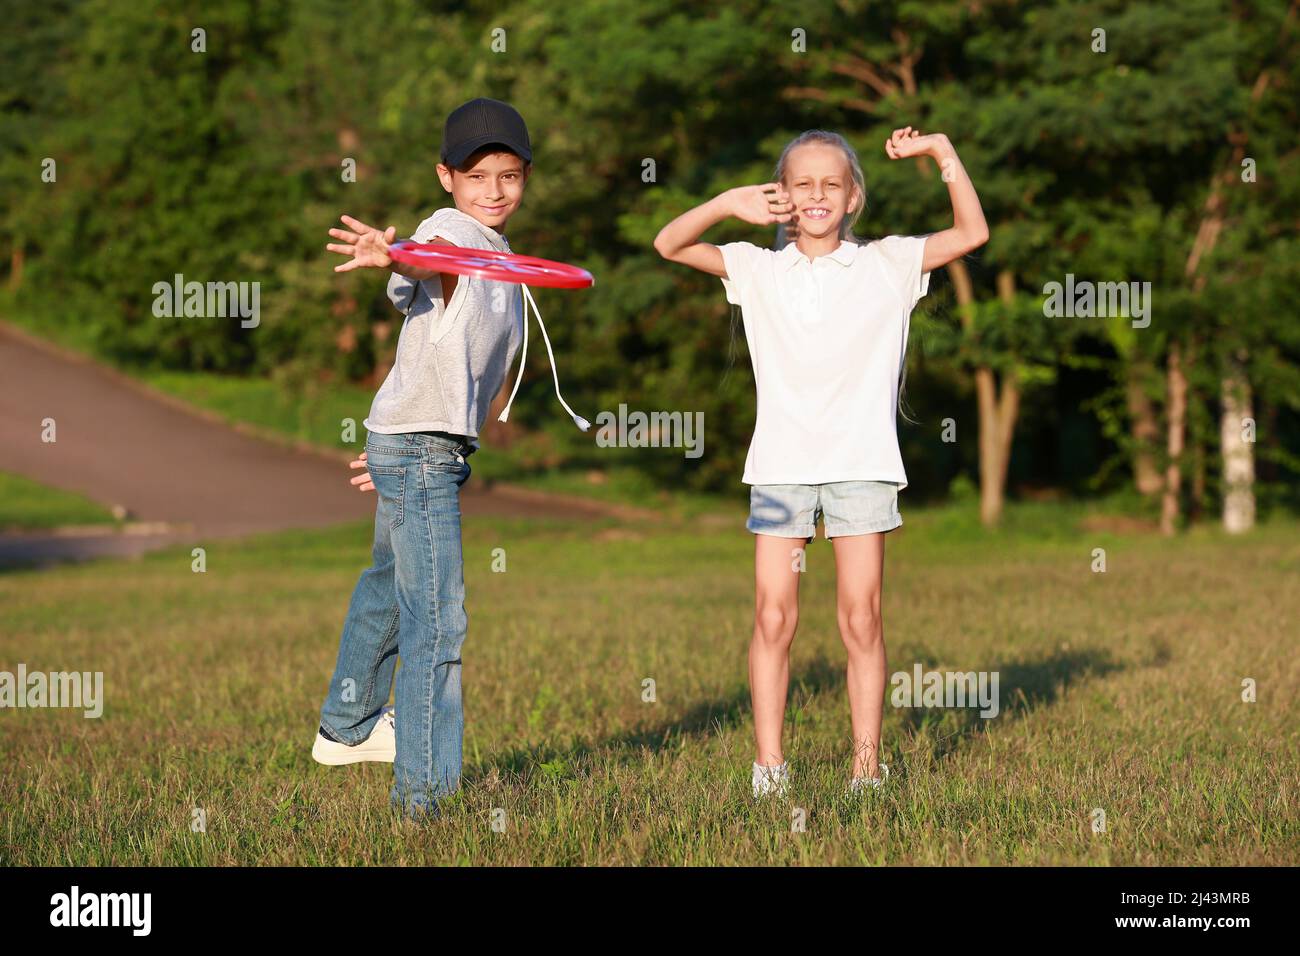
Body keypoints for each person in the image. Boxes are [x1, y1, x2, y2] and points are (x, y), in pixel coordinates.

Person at [653, 126, 988, 797]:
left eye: (831, 183)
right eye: (802, 183)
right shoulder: (757, 267)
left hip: (863, 465)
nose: (816, 194)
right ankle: (769, 767)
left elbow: (972, 232)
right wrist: (728, 202)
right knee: (774, 617)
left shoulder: (890, 264)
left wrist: (940, 151)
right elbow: (668, 244)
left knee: (861, 618)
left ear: (853, 196)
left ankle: (867, 769)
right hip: (779, 467)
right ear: (782, 195)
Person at [313, 97, 584, 820]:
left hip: (420, 445)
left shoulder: (506, 261)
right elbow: (424, 261)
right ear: (446, 177)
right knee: (437, 619)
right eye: (476, 175)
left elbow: (477, 379)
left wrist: (399, 452)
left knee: (387, 588)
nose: (494, 191)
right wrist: (389, 254)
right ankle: (424, 803)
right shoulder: (449, 231)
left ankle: (348, 727)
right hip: (419, 448)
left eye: (511, 175)